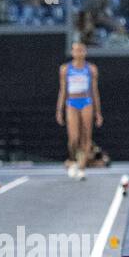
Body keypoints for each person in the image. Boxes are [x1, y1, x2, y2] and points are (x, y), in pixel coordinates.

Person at [56, 41, 102, 180]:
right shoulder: (65, 69)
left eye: (81, 50)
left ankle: (82, 168)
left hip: (86, 102)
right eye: (76, 50)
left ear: (85, 52)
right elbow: (63, 91)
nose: (78, 53)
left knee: (86, 137)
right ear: (72, 52)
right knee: (74, 138)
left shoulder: (91, 69)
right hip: (72, 103)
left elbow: (94, 91)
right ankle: (73, 160)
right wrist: (59, 110)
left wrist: (98, 112)